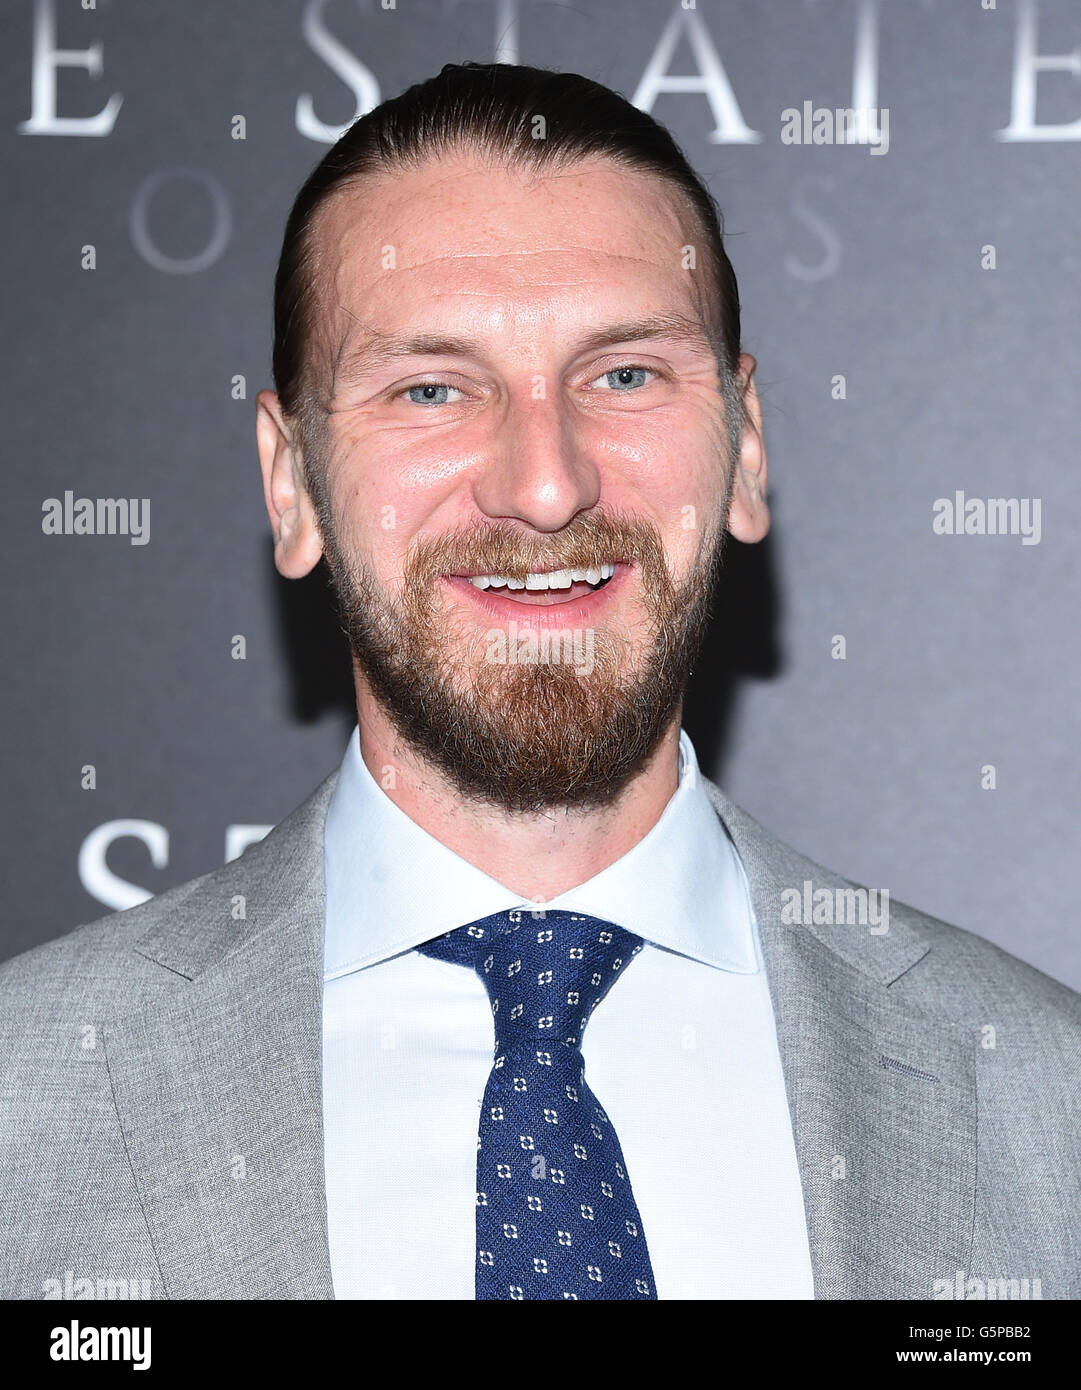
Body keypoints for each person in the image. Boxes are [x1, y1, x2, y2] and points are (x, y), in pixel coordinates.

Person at [2, 63, 1078, 1302]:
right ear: (289, 481)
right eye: (431, 390)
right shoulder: (24, 1100)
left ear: (745, 449)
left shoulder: (1042, 1100)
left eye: (622, 374)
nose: (545, 483)